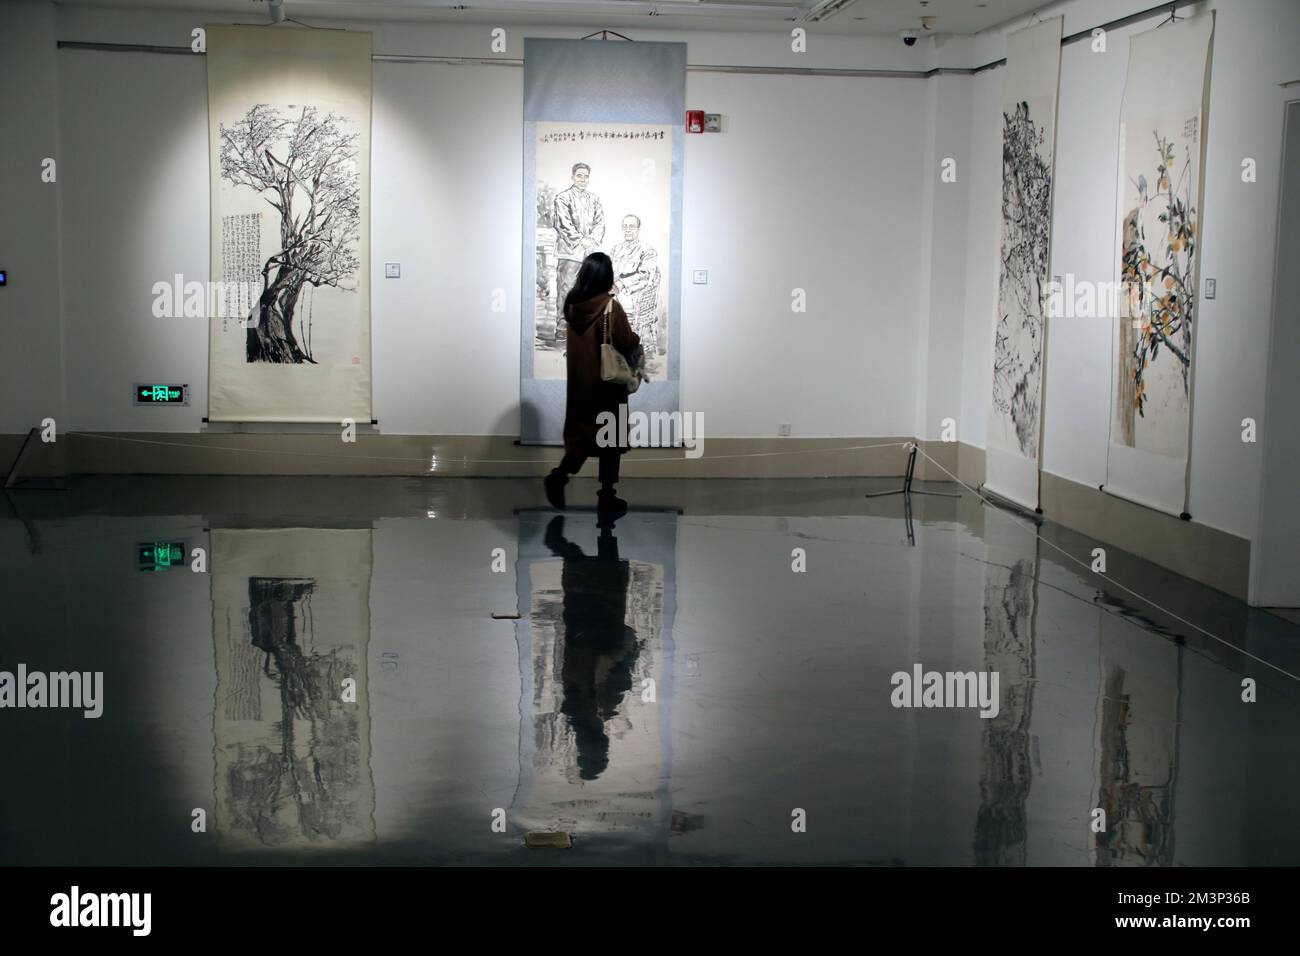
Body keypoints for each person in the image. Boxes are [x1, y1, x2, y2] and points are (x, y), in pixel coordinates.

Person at [543, 252, 643, 520]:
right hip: (607, 385)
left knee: (582, 435)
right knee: (610, 438)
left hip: (581, 384)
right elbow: (626, 340)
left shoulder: (572, 306)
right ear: (607, 277)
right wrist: (637, 341)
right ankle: (607, 497)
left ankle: (559, 476)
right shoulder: (611, 307)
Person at [552, 163, 605, 346]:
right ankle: (562, 329)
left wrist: (592, 239)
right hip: (569, 252)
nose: (583, 179)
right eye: (579, 176)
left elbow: (600, 223)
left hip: (589, 252)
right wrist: (580, 240)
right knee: (566, 290)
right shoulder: (562, 198)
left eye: (586, 176)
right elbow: (563, 224)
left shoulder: (594, 199)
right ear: (572, 177)